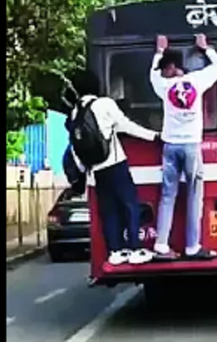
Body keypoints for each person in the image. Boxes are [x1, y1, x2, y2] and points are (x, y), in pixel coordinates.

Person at [66, 78, 161, 265]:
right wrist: (154, 135)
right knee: (130, 205)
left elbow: (76, 145)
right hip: (115, 163)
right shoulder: (104, 104)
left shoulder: (76, 111)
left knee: (109, 211)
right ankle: (135, 248)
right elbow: (125, 125)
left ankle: (115, 251)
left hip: (96, 169)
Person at [149, 33, 217, 260]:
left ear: (172, 67)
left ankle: (161, 245)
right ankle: (192, 246)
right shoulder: (197, 81)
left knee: (167, 195)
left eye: (165, 68)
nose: (163, 72)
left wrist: (158, 52)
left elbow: (151, 75)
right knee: (194, 195)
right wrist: (205, 48)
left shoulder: (164, 86)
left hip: (170, 146)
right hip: (191, 146)